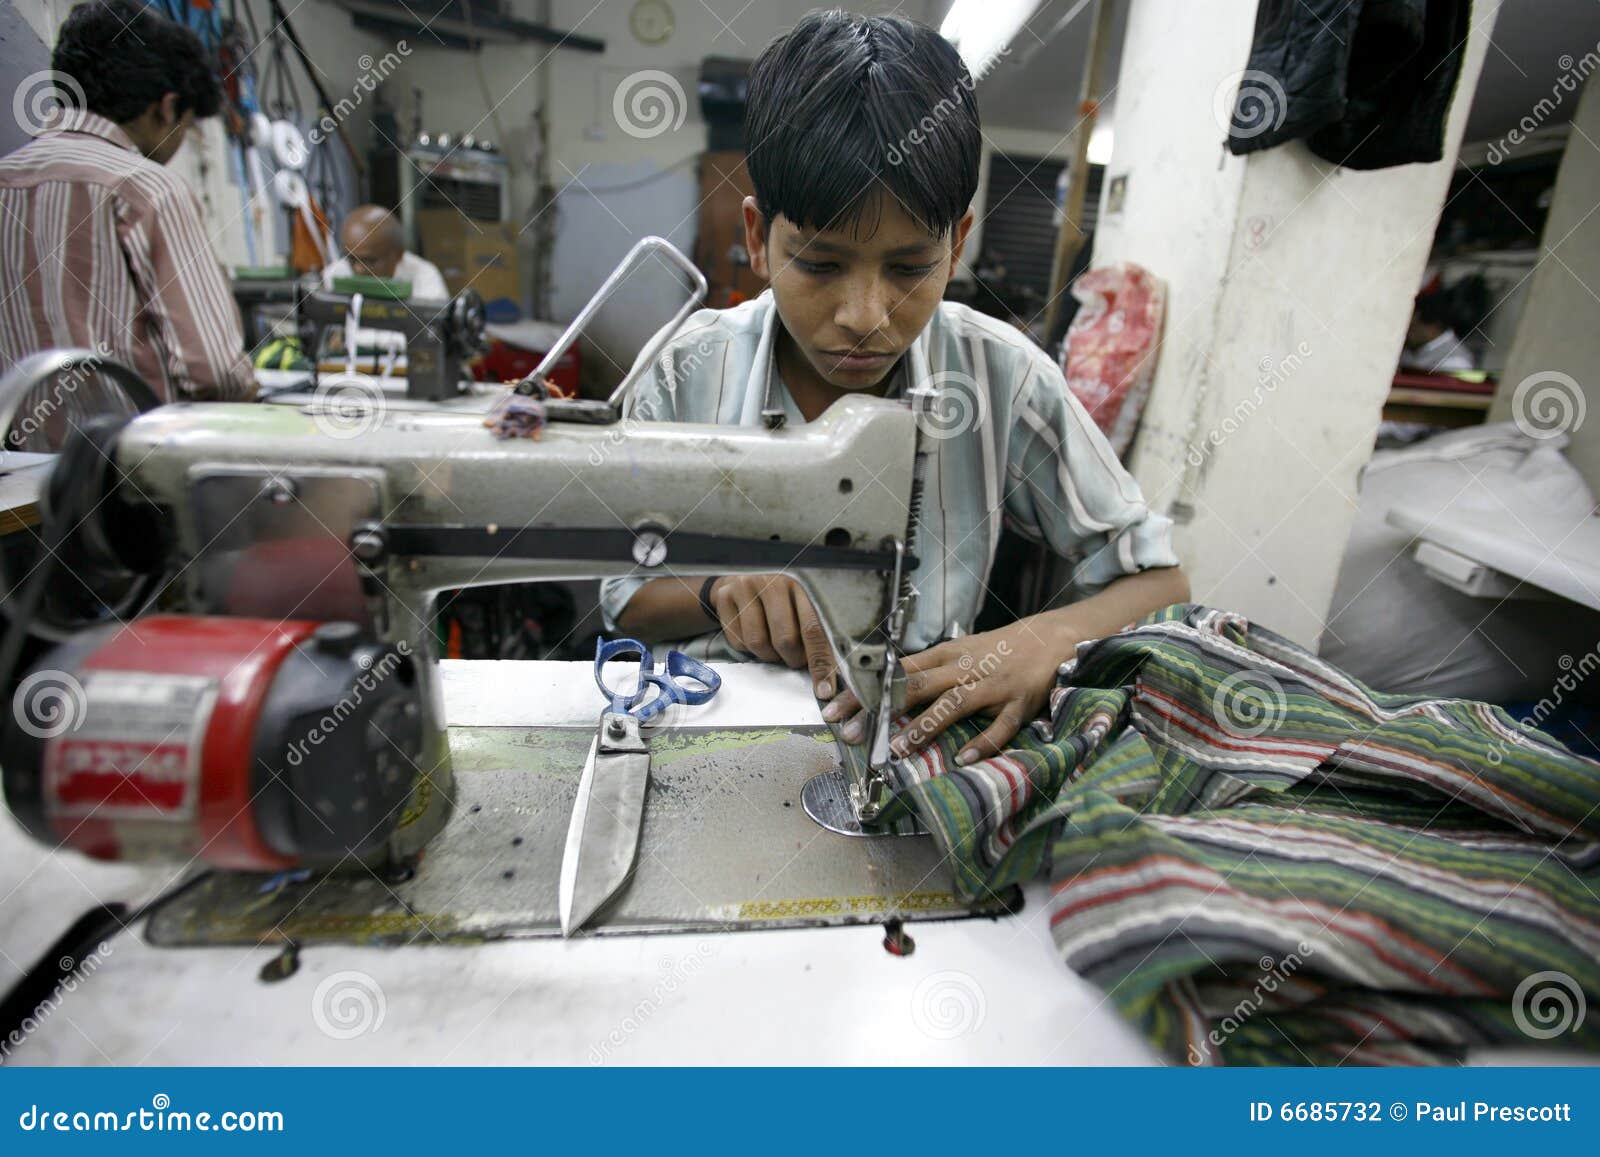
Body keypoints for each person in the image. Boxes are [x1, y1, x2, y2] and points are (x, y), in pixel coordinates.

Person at [601, 11, 1187, 766]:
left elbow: (1162, 580)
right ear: (756, 236)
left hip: (914, 739)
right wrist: (715, 588)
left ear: (959, 244)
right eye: (818, 264)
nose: (865, 317)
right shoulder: (683, 372)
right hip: (707, 731)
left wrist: (1044, 636)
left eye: (910, 269)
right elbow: (621, 596)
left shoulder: (1000, 379)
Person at [0, 0, 255, 402]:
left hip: (18, 460)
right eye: (185, 128)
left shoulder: (6, 180)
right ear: (167, 107)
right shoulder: (149, 190)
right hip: (135, 459)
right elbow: (216, 373)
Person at [322, 206, 449, 301]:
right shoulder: (335, 275)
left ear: (398, 255)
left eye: (370, 261)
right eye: (351, 259)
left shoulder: (425, 279)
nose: (358, 269)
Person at [1400, 288, 1476, 373]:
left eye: (1412, 328)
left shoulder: (1454, 361)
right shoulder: (1410, 349)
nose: (1406, 334)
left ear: (1434, 327)